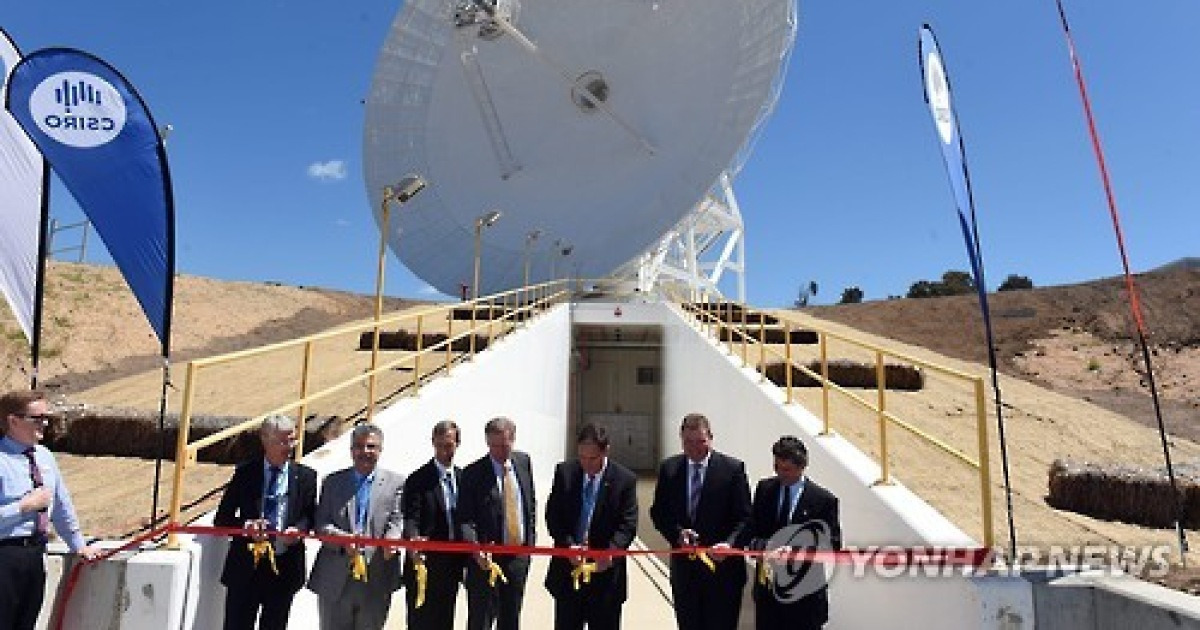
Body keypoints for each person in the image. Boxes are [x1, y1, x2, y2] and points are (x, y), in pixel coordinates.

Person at [0, 390, 99, 630]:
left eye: (46, 417)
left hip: (35, 555)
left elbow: (62, 505)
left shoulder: (44, 457)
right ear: (13, 421)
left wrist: (78, 544)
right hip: (5, 555)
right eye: (37, 418)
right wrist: (24, 507)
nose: (44, 424)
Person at [649, 413, 751, 630]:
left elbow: (745, 517)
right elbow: (659, 513)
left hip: (724, 574)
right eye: (688, 442)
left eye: (700, 441)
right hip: (686, 574)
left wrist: (729, 544)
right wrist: (678, 534)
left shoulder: (732, 470)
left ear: (711, 438)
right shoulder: (670, 469)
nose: (695, 448)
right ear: (681, 440)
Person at [215, 414, 317, 630]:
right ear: (265, 441)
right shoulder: (246, 473)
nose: (289, 447)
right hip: (246, 570)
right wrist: (246, 527)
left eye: (292, 440)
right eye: (282, 441)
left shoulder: (306, 477)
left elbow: (310, 517)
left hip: (284, 569)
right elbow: (222, 519)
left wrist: (298, 531)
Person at [307, 423, 406, 630]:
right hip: (336, 578)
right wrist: (343, 540)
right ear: (351, 450)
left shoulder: (396, 483)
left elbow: (397, 519)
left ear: (380, 449)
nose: (365, 452)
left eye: (371, 446)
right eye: (359, 446)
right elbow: (321, 523)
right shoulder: (332, 482)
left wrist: (392, 540)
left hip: (376, 575)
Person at [741, 436, 841, 630]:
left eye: (786, 469)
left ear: (801, 466)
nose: (780, 474)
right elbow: (752, 528)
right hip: (768, 596)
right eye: (776, 467)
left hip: (804, 600)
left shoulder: (823, 501)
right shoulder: (765, 490)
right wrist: (760, 545)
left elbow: (832, 545)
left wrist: (795, 551)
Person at [544, 423, 637, 630]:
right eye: (582, 457)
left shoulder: (624, 480)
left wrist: (611, 550)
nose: (586, 464)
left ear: (606, 451)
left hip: (606, 578)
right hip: (569, 574)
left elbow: (628, 524)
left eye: (592, 458)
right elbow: (553, 516)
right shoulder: (565, 473)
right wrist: (568, 545)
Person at [457, 417, 537, 630]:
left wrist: (529, 546)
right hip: (485, 561)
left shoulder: (523, 462)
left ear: (513, 440)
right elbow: (465, 519)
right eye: (493, 446)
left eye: (504, 445)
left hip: (517, 558)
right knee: (481, 620)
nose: (499, 451)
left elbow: (529, 504)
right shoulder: (473, 473)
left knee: (510, 619)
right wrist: (476, 550)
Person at [402, 420, 467, 630]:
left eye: (448, 445)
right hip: (424, 563)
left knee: (445, 621)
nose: (443, 451)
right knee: (420, 622)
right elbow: (410, 517)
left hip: (452, 566)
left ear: (457, 444)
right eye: (439, 445)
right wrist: (413, 539)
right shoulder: (418, 479)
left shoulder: (464, 478)